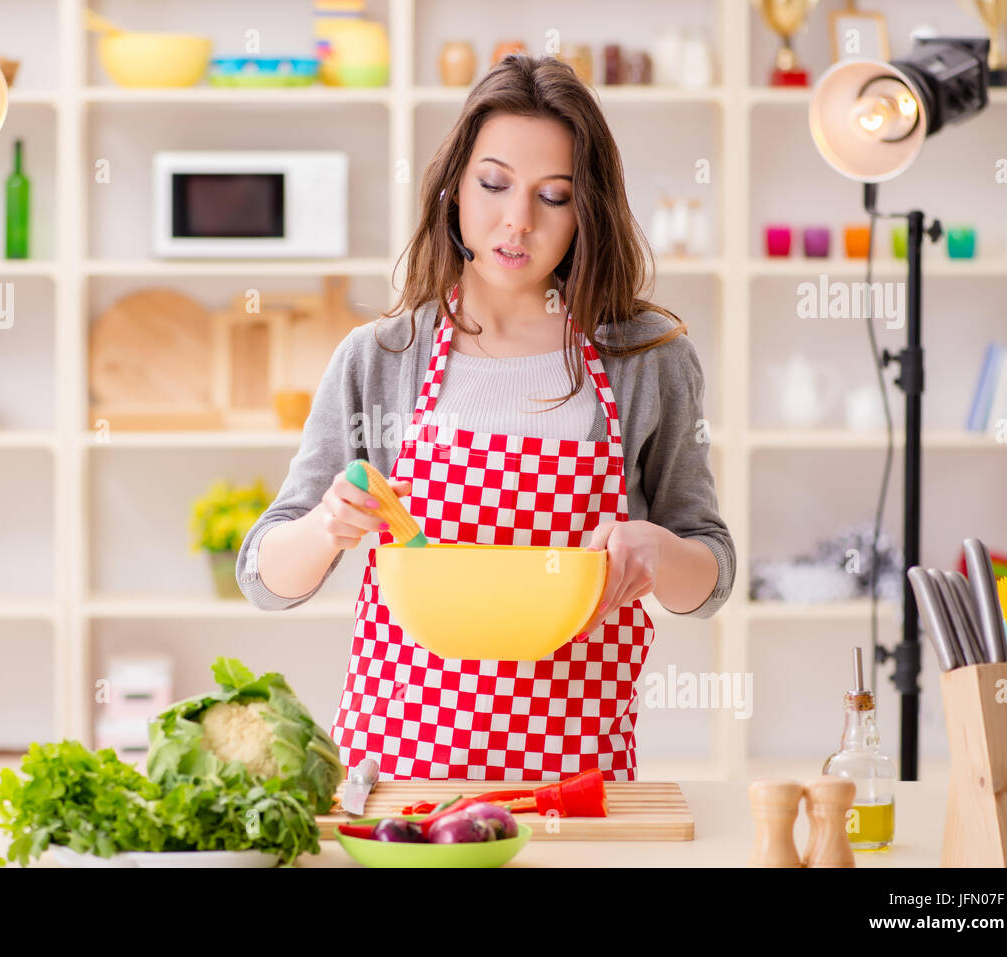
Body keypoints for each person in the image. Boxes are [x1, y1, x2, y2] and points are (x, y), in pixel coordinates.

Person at [237, 54, 734, 781]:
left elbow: (710, 576)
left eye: (553, 196)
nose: (517, 221)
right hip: (399, 784)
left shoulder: (647, 360)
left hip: (575, 782)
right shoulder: (380, 356)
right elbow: (263, 575)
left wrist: (658, 549)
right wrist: (325, 525)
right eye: (494, 183)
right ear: (453, 189)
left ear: (586, 209)